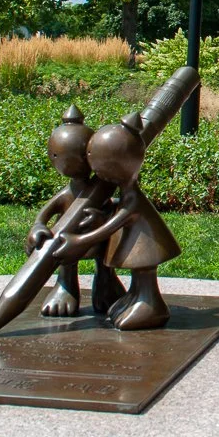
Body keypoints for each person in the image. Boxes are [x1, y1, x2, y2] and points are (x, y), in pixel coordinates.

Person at [54, 111, 180, 330]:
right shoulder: (124, 196)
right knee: (140, 277)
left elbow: (112, 226)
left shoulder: (131, 201)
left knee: (144, 273)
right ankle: (135, 297)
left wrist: (81, 241)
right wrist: (101, 215)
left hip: (145, 241)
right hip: (133, 240)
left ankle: (151, 306)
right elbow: (111, 219)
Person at [28, 104, 125, 317]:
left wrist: (102, 218)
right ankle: (65, 285)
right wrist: (37, 227)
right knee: (66, 261)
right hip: (66, 244)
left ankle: (105, 281)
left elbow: (117, 212)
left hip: (97, 241)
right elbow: (44, 214)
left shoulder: (101, 190)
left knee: (105, 256)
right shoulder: (66, 195)